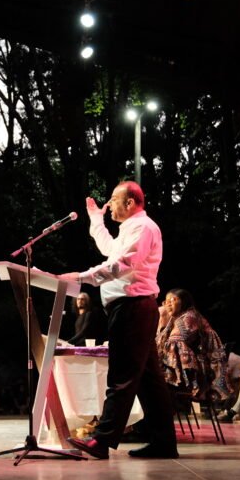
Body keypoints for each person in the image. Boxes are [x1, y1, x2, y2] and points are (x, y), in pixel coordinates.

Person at [58, 182, 177, 459]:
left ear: (132, 202)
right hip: (132, 308)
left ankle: (102, 441)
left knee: (122, 376)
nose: (109, 204)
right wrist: (97, 220)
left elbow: (120, 265)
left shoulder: (143, 228)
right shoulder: (131, 228)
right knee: (149, 381)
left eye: (114, 199)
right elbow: (110, 250)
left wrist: (80, 277)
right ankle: (164, 443)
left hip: (133, 307)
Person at [156, 289, 230, 400]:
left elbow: (172, 346)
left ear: (184, 302)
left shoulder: (188, 318)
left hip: (195, 373)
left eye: (172, 299)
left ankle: (159, 414)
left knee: (147, 375)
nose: (168, 304)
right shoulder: (177, 319)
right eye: (165, 301)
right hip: (185, 369)